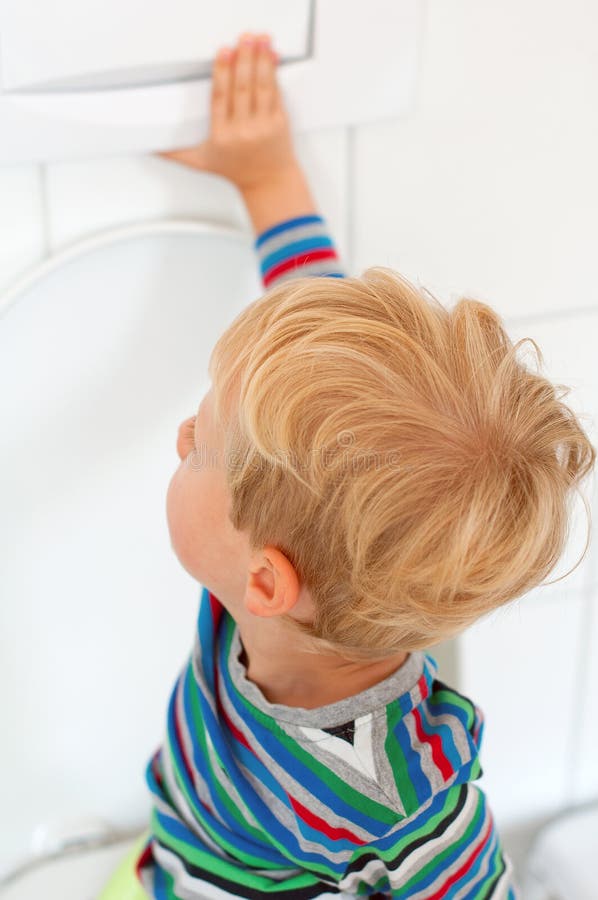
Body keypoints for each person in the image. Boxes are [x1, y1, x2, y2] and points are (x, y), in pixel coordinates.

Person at [120, 29, 594, 900]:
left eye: (205, 450)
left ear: (265, 581)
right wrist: (268, 180)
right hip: (188, 849)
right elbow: (309, 321)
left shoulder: (400, 801)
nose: (185, 433)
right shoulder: (298, 572)